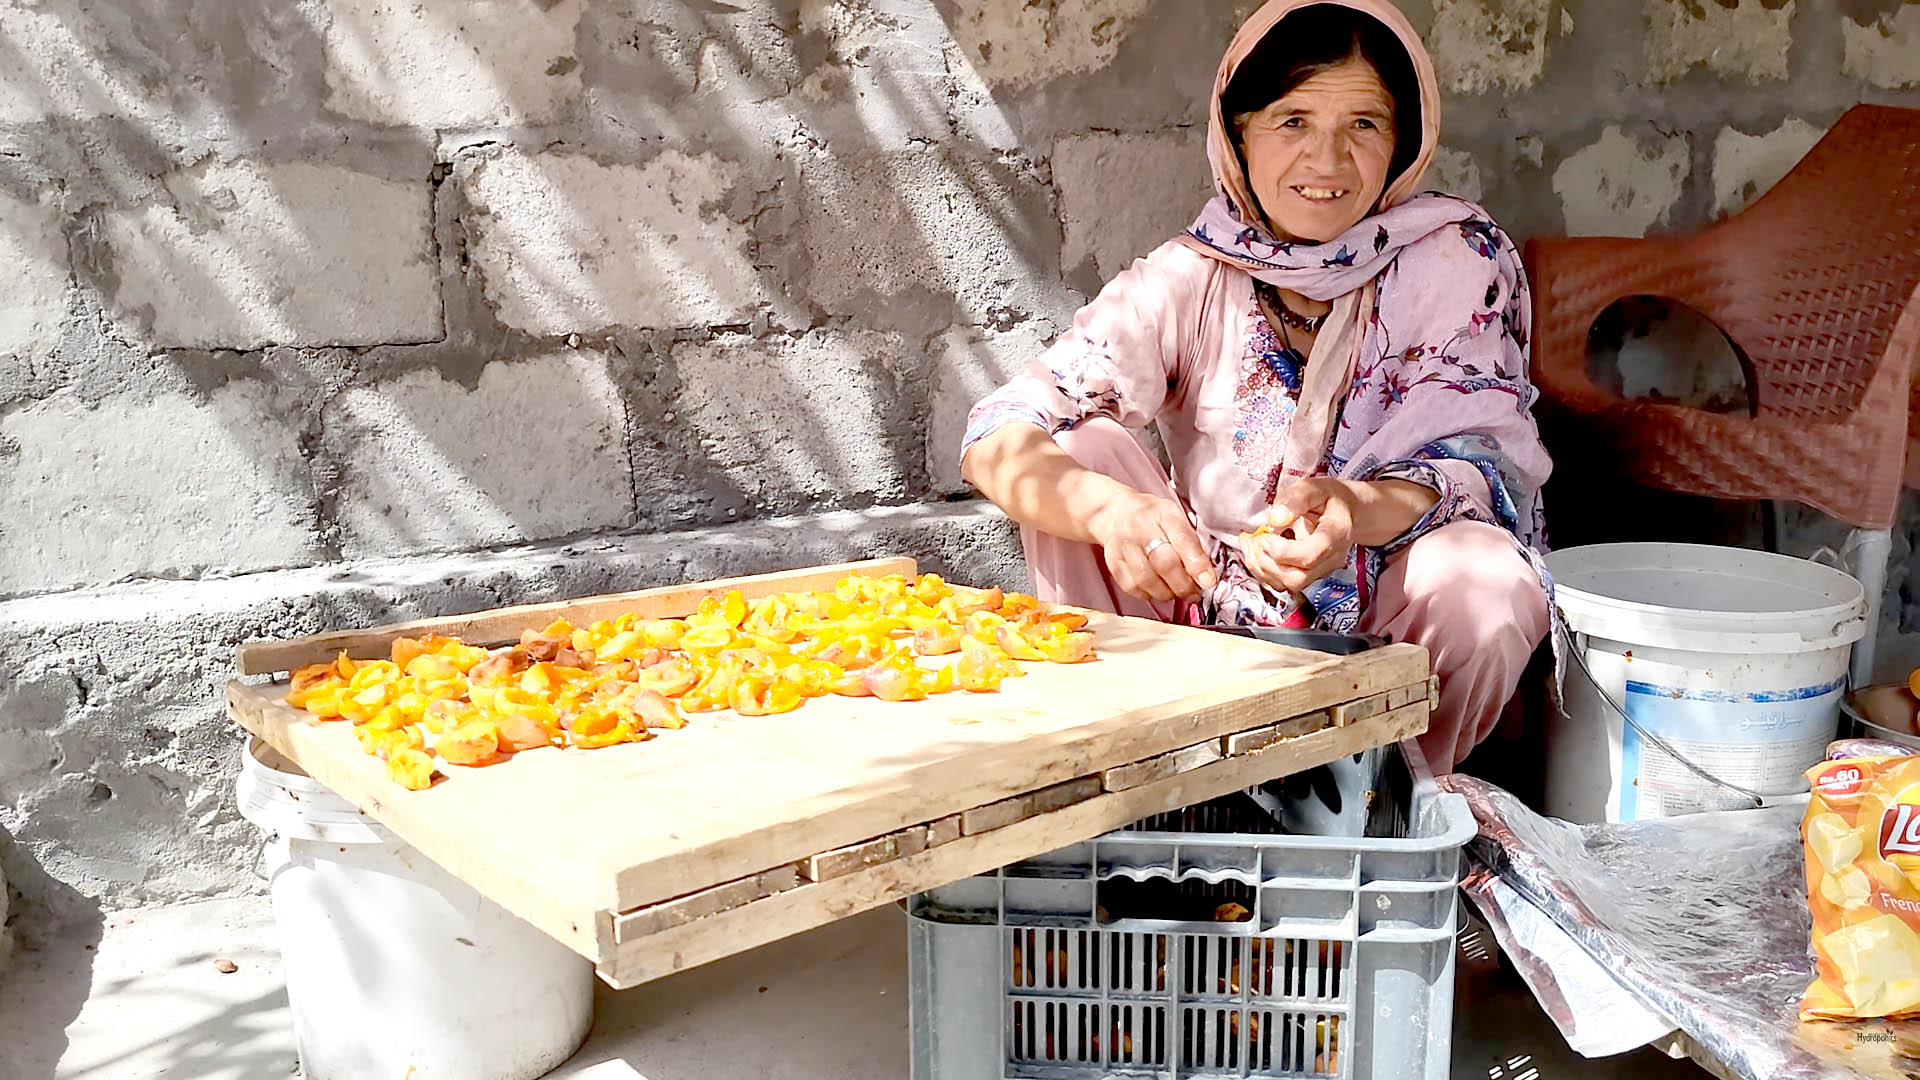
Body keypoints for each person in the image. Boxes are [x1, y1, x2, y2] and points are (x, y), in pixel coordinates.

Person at [959, 0, 1552, 772]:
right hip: (1203, 636)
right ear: (1238, 132)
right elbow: (998, 431)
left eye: (1364, 124)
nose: (1327, 160)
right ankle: (1128, 771)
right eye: (1292, 120)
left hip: (1384, 631)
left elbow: (1482, 471)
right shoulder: (1193, 275)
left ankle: (1394, 796)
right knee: (1084, 451)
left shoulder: (1456, 261)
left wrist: (1352, 512)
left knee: (1484, 579)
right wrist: (1113, 513)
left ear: (1404, 141)